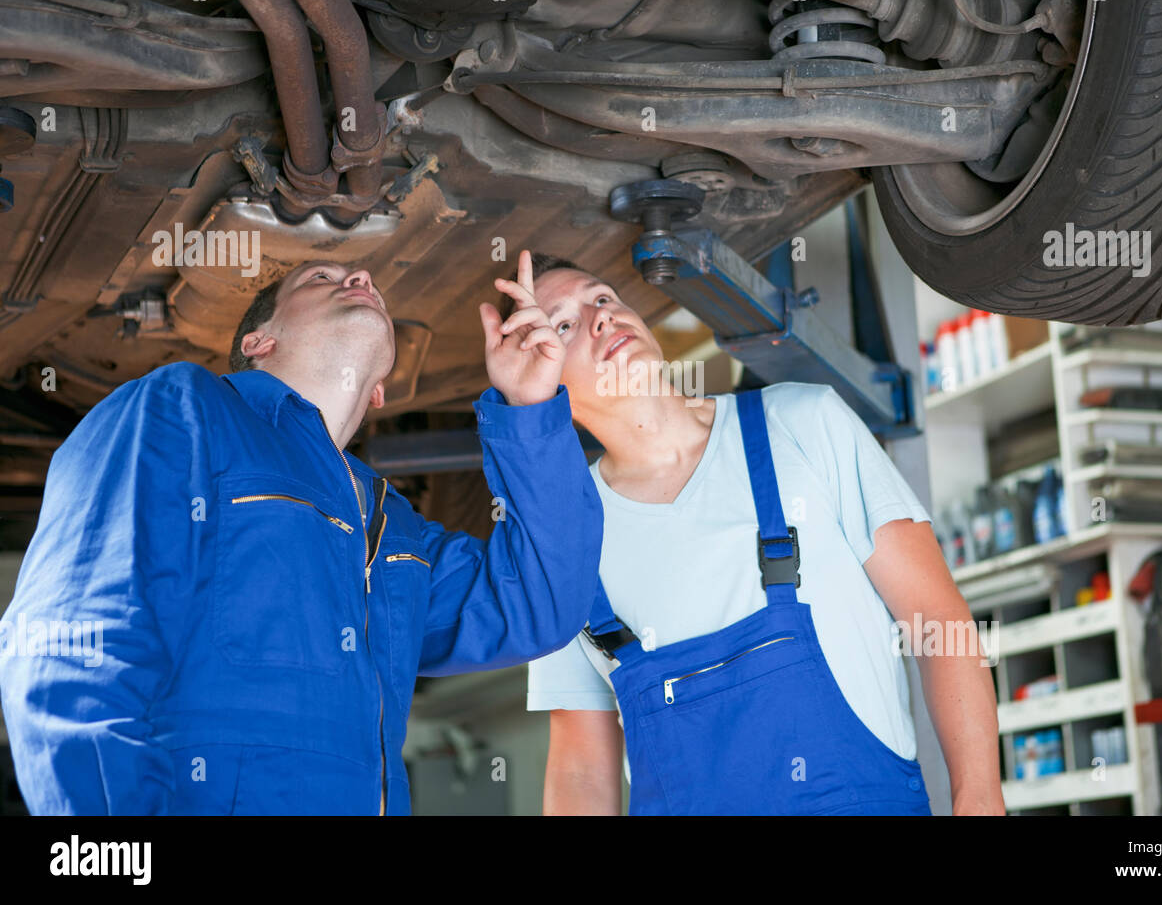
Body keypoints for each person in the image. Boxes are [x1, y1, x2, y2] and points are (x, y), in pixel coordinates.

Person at [0, 251, 602, 815]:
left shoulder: (394, 529)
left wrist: (529, 407)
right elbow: (70, 644)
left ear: (380, 390)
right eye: (320, 277)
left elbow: (540, 606)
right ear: (258, 343)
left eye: (371, 288)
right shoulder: (182, 408)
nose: (362, 279)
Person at [515, 253, 1004, 815]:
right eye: (564, 325)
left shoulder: (802, 424)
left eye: (602, 297)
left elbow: (937, 620)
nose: (600, 317)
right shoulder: (562, 542)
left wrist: (981, 798)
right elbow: (580, 766)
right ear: (540, 385)